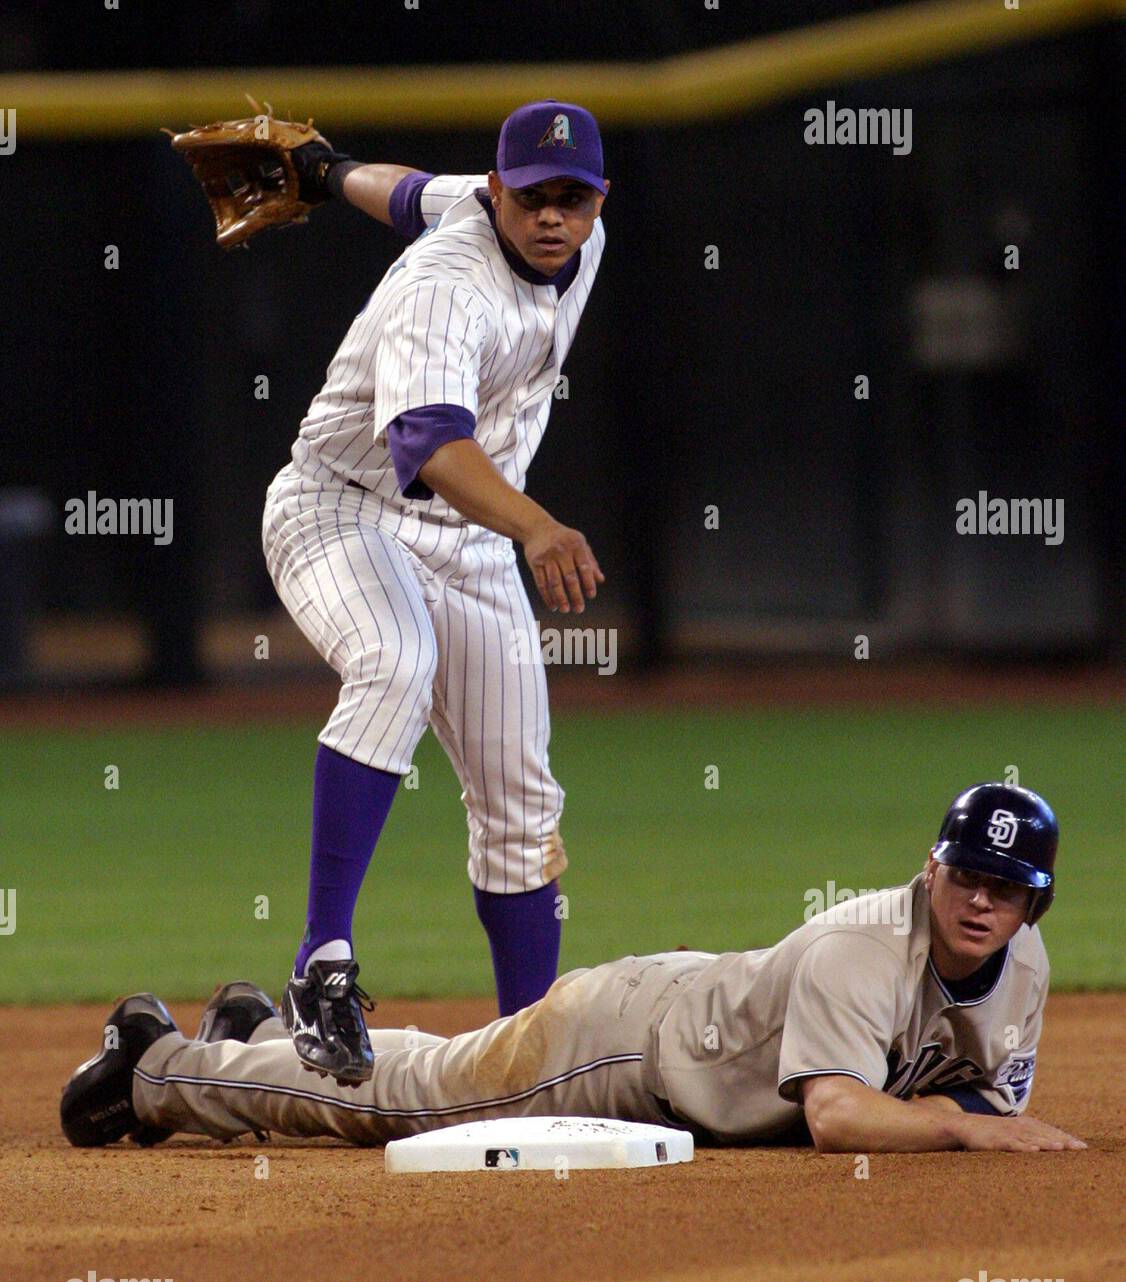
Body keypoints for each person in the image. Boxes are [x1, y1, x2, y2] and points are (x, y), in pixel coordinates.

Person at [60, 784, 1085, 1154]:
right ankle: (158, 1071)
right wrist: (960, 1128)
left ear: (1031, 899)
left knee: (440, 1065)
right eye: (966, 873)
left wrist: (975, 1119)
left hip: (696, 1013)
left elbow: (984, 1093)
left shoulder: (1022, 963)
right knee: (414, 1102)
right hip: (630, 1045)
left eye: (1007, 884)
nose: (982, 898)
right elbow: (841, 1116)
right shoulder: (861, 950)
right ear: (931, 869)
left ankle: (261, 1039)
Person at [260, 101, 612, 1085]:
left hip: (470, 538)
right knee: (394, 661)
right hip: (343, 508)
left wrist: (327, 173)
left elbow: (407, 192)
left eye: (571, 198)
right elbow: (428, 446)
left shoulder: (537, 224)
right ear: (497, 194)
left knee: (521, 801)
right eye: (532, 196)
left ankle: (528, 1050)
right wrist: (537, 523)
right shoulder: (442, 288)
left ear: (597, 200)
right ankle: (321, 959)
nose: (551, 215)